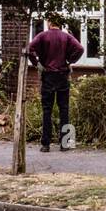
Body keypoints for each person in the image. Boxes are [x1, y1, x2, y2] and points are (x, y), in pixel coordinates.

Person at [26, 15, 84, 153]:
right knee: (64, 109)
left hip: (48, 76)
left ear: (49, 22)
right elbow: (80, 49)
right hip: (63, 75)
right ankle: (65, 143)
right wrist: (70, 61)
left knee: (47, 110)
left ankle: (45, 144)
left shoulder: (42, 36)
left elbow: (29, 49)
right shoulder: (66, 37)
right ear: (61, 23)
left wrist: (37, 64)